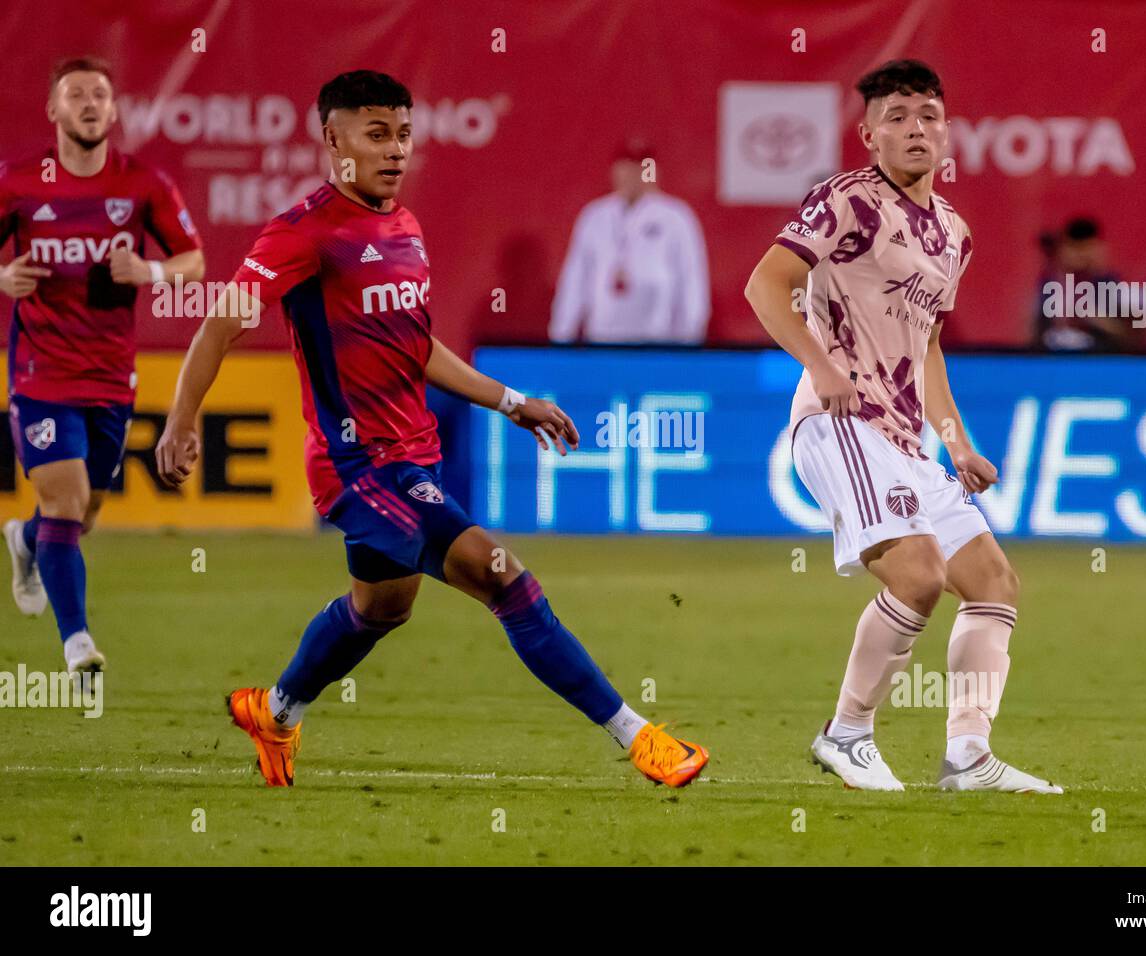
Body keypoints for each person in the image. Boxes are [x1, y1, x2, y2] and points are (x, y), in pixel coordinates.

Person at [155, 71, 708, 788]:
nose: (396, 151)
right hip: (359, 468)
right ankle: (641, 739)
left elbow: (417, 345)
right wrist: (180, 419)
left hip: (414, 457)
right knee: (507, 580)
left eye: (405, 135)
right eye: (377, 134)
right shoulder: (303, 233)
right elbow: (221, 322)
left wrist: (512, 401)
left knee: (379, 609)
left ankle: (277, 710)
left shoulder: (403, 226)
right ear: (333, 139)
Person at [744, 59, 1061, 794]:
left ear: (948, 134)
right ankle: (846, 733)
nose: (916, 129)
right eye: (897, 117)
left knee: (993, 581)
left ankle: (968, 757)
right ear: (869, 135)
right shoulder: (845, 202)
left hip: (904, 437)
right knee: (918, 576)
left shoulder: (954, 233)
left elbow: (927, 346)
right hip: (840, 422)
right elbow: (766, 283)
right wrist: (819, 364)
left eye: (928, 116)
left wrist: (956, 443)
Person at [0, 56, 204, 674]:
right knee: (67, 503)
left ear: (114, 111)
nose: (89, 103)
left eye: (99, 95)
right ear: (53, 110)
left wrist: (153, 272)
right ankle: (78, 643)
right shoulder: (18, 183)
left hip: (112, 378)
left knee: (81, 514)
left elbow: (194, 260)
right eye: (75, 95)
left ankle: (23, 539)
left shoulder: (142, 184)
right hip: (39, 375)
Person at [549, 138, 710, 344]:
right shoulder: (595, 216)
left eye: (640, 166)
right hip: (602, 337)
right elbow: (575, 278)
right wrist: (561, 335)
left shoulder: (676, 217)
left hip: (656, 340)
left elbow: (691, 281)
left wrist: (689, 340)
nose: (632, 174)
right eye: (626, 166)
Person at [1034, 217, 1135, 352]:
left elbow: (1131, 335)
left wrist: (1094, 317)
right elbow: (1034, 330)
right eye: (1074, 248)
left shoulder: (1109, 284)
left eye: (1086, 248)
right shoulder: (1051, 283)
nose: (1080, 255)